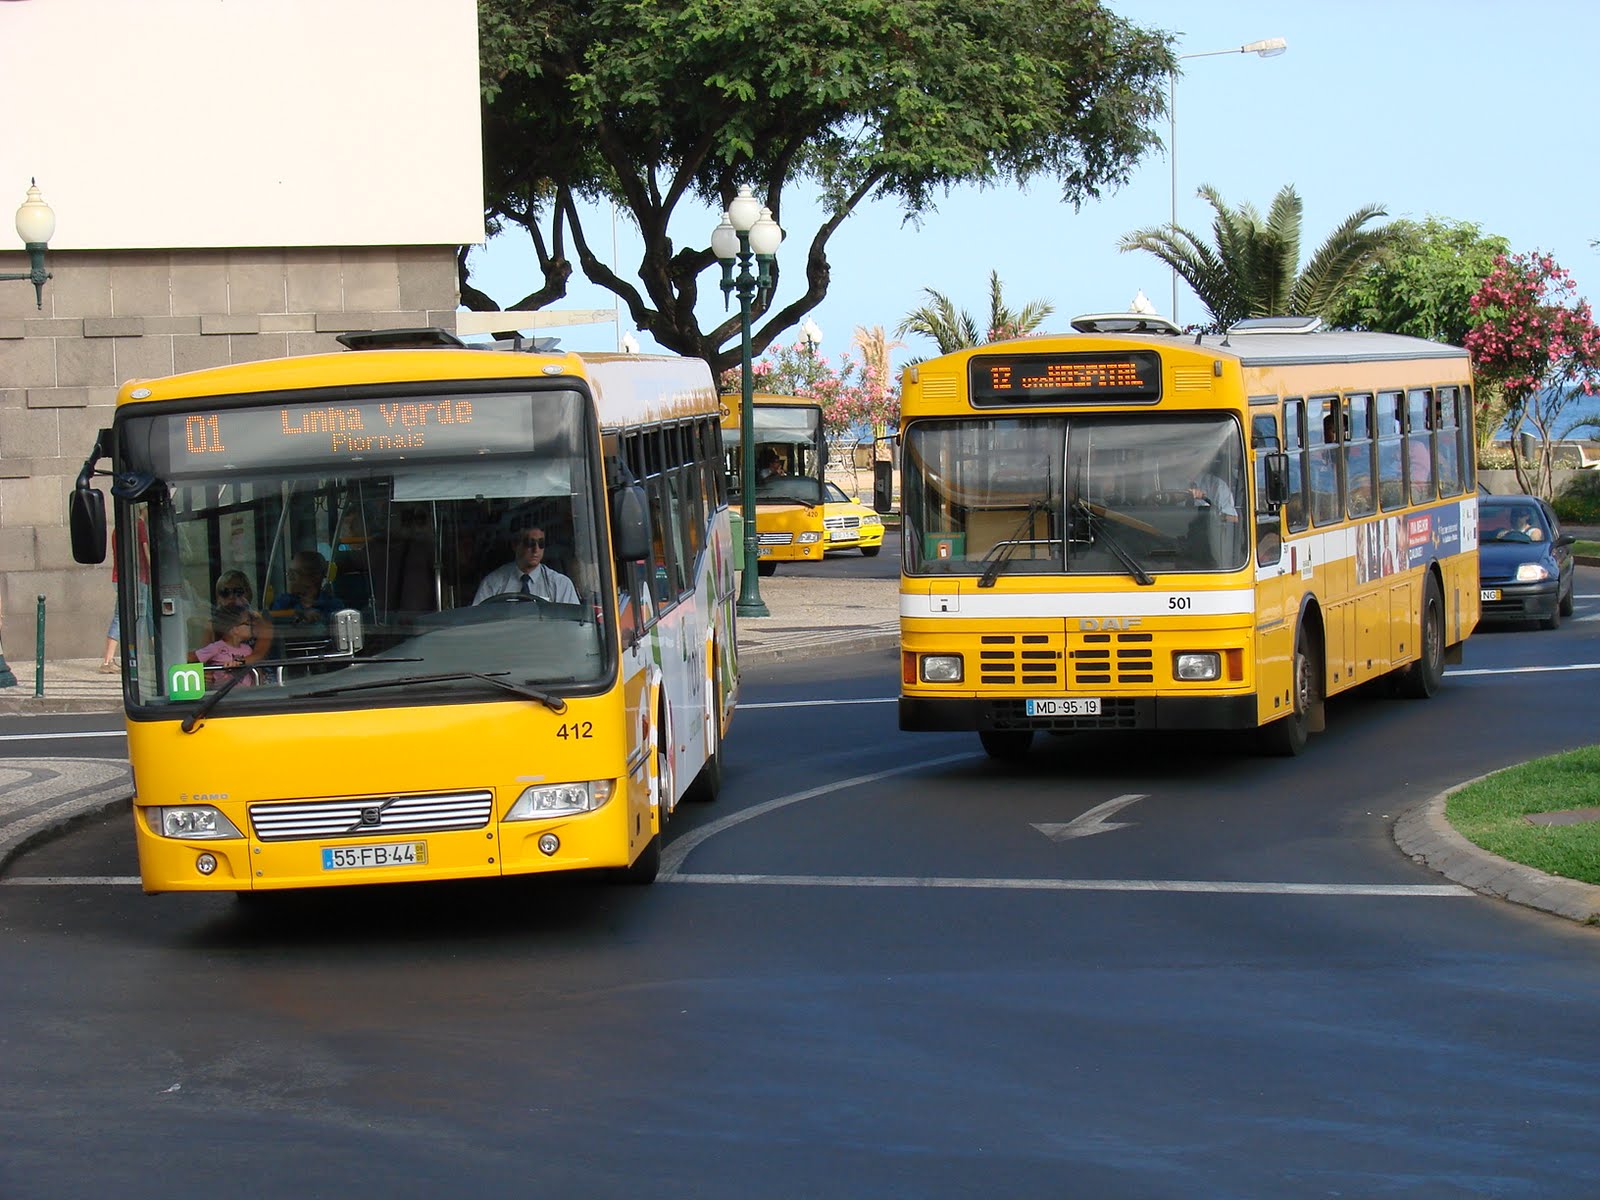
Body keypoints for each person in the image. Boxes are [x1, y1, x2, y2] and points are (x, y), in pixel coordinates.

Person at [473, 524, 580, 604]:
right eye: (529, 543)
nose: (536, 549)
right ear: (515, 545)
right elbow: (478, 622)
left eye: (541, 543)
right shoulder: (493, 583)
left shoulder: (560, 584)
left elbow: (571, 625)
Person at [200, 570, 274, 664]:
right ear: (219, 597)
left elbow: (259, 655)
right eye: (225, 592)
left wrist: (236, 663)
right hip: (223, 674)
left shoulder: (260, 623)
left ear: (247, 594)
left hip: (255, 674)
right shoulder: (213, 625)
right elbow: (204, 656)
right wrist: (207, 672)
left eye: (238, 592)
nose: (231, 596)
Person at [268, 549, 342, 626]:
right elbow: (274, 625)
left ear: (313, 578)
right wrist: (298, 615)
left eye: (293, 574)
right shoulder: (283, 602)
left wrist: (319, 619)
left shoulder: (333, 606)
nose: (289, 578)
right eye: (289, 573)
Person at [192, 608, 258, 686]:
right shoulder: (217, 647)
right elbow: (191, 657)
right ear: (235, 629)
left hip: (247, 694)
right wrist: (200, 675)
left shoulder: (248, 649)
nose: (251, 626)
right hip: (224, 695)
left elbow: (255, 673)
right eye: (248, 623)